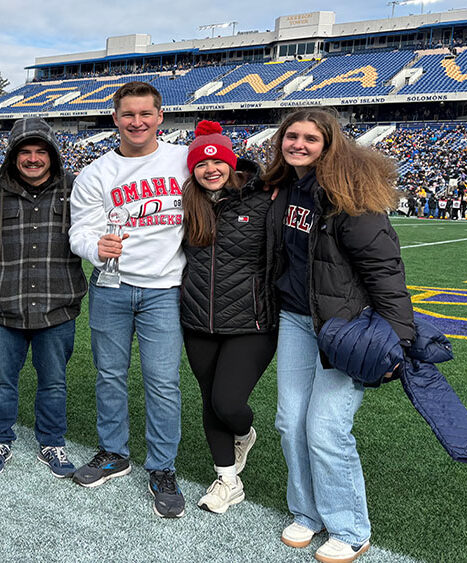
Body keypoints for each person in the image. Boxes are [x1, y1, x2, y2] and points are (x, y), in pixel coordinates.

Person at [264, 109, 415, 563]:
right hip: (295, 320)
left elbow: (385, 270)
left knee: (326, 428)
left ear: (330, 145)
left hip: (343, 327)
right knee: (291, 422)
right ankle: (307, 514)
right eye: (292, 136)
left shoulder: (350, 196)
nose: (299, 144)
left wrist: (398, 338)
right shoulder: (282, 186)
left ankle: (350, 528)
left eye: (311, 138)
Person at [68, 82, 189, 518]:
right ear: (115, 118)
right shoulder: (95, 173)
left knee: (162, 382)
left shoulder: (182, 160)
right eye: (127, 115)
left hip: (165, 288)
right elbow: (78, 231)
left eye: (145, 114)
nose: (136, 122)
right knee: (110, 376)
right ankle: (113, 453)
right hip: (111, 287)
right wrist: (95, 248)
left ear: (160, 117)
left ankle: (162, 467)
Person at [0, 117, 86, 478]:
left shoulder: (77, 188)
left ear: (53, 154)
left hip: (58, 305)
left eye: (41, 151)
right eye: (25, 151)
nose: (34, 158)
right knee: (1, 382)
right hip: (4, 304)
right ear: (12, 155)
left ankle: (52, 441)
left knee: (54, 382)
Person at [179, 121, 277, 514]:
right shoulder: (188, 201)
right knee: (209, 400)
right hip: (199, 321)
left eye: (218, 160)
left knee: (228, 402)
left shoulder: (264, 197)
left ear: (231, 161)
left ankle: (244, 431)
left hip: (251, 322)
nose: (211, 169)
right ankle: (227, 481)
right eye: (201, 165)